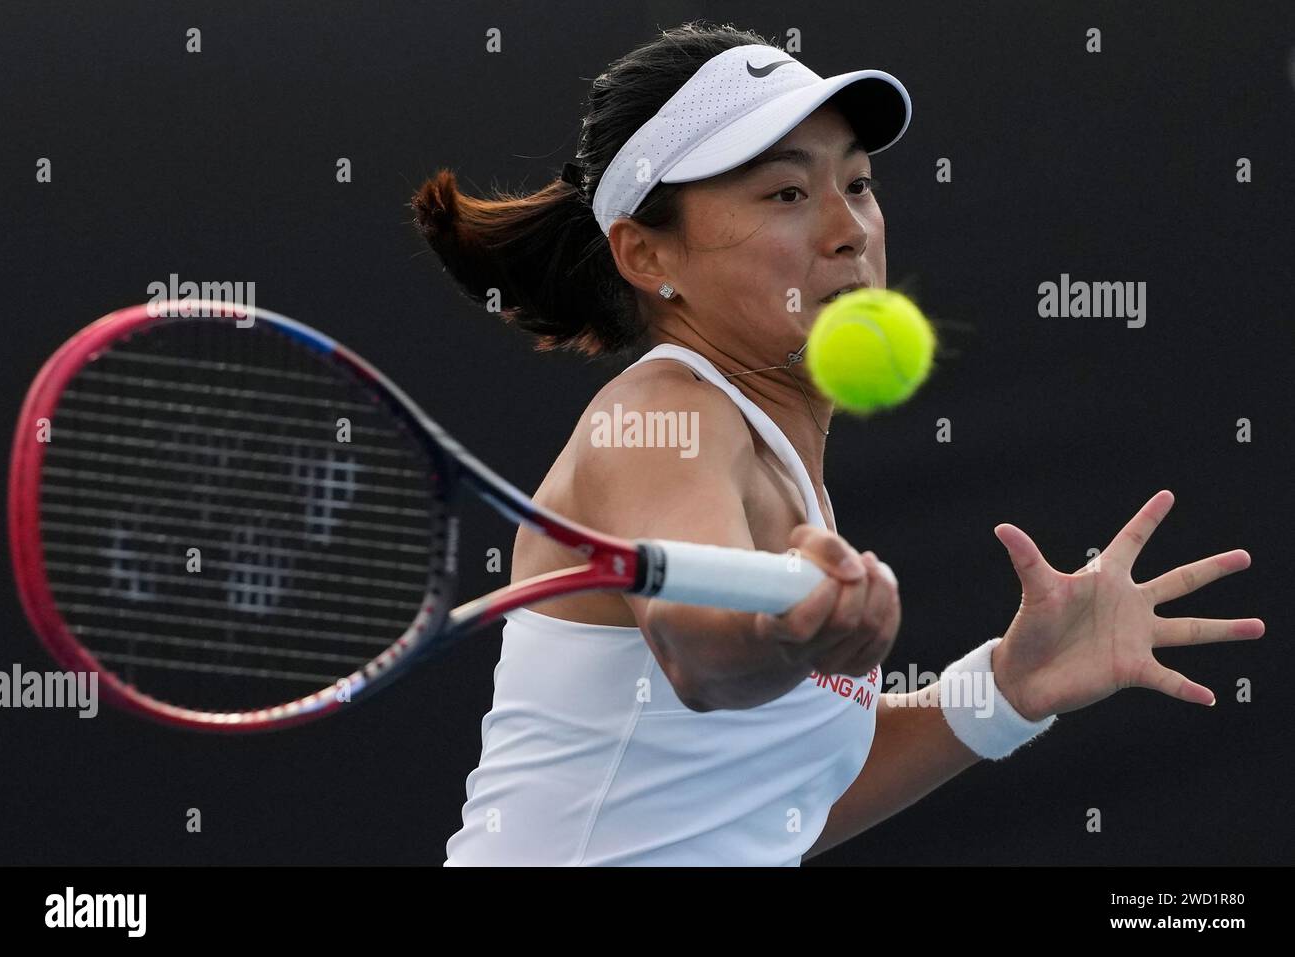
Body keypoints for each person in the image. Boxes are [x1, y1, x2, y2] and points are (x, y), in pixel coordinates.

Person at [412, 22, 1264, 866]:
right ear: (644, 253)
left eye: (858, 183)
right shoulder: (664, 417)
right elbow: (696, 645)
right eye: (786, 193)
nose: (848, 228)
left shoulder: (773, 453)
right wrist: (790, 635)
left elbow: (772, 813)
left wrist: (1005, 688)